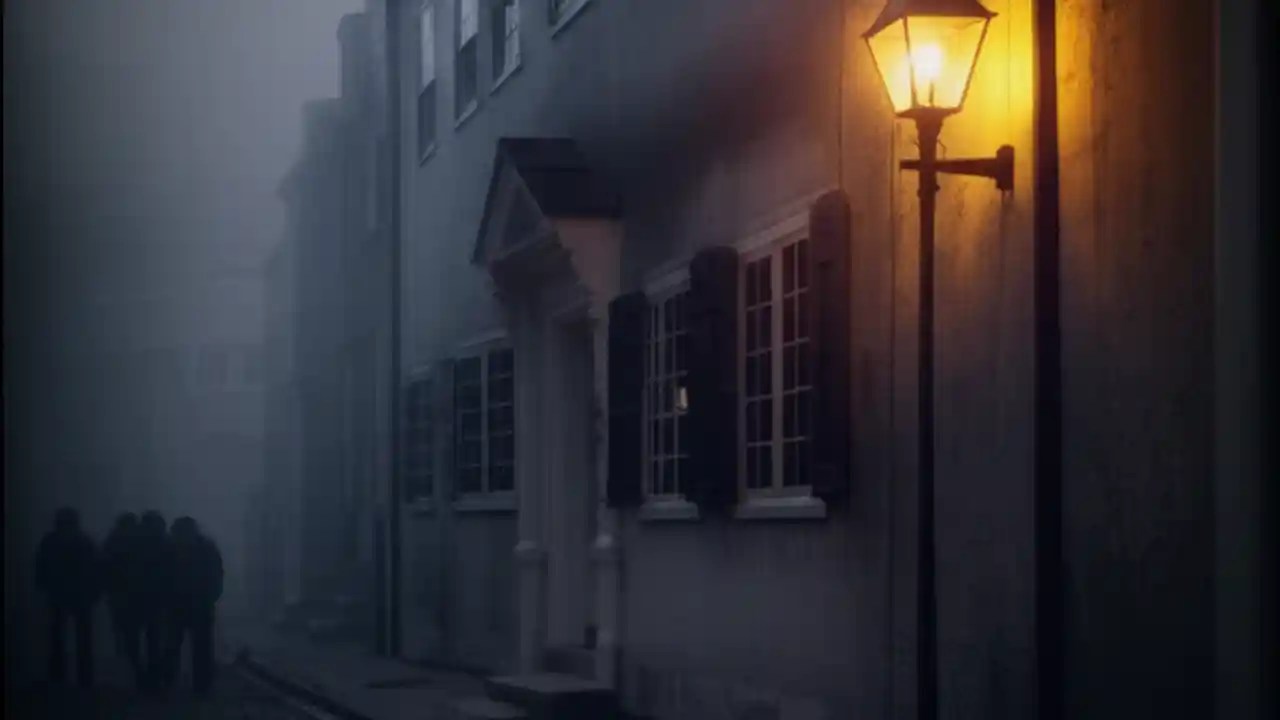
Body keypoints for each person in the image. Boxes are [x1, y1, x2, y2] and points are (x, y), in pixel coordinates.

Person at [34, 507, 99, 687]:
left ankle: (60, 675)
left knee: (59, 637)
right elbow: (96, 570)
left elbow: (41, 567)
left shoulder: (51, 541)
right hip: (77, 596)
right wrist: (95, 592)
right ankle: (83, 676)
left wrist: (42, 585)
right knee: (79, 637)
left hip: (61, 595)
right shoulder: (84, 542)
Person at [164, 516, 223, 694]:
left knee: (174, 645)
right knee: (200, 647)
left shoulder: (170, 548)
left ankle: (170, 681)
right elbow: (216, 574)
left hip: (181, 604)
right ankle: (200, 684)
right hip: (197, 604)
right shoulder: (206, 547)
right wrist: (212, 595)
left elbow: (160, 576)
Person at [132, 510, 172, 691]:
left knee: (142, 640)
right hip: (155, 598)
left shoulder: (134, 543)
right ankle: (153, 675)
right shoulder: (167, 544)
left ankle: (146, 675)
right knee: (154, 639)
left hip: (142, 598)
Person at [102, 512, 140, 659]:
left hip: (127, 594)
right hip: (123, 593)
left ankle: (128, 654)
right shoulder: (115, 542)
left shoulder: (112, 541)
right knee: (126, 628)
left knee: (127, 629)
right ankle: (129, 655)